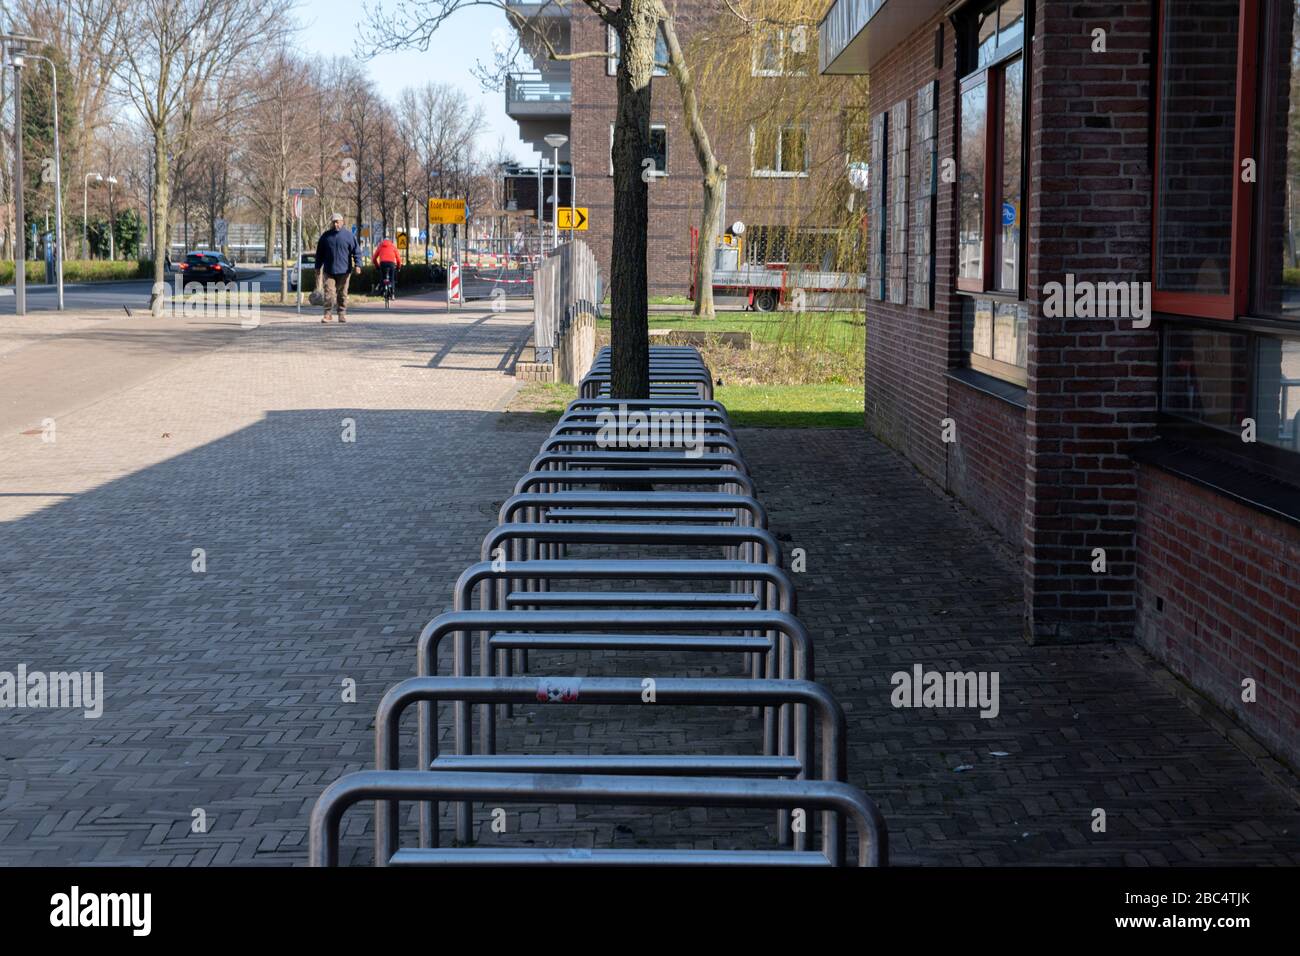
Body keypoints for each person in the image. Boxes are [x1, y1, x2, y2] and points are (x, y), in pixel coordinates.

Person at [313, 213, 361, 323]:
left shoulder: (349, 236)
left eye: (337, 222)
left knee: (342, 294)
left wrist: (358, 265)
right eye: (333, 222)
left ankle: (341, 313)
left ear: (342, 222)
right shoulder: (325, 237)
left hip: (344, 271)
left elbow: (357, 252)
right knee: (329, 293)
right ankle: (328, 314)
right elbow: (319, 254)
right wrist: (317, 268)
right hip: (329, 271)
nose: (335, 224)